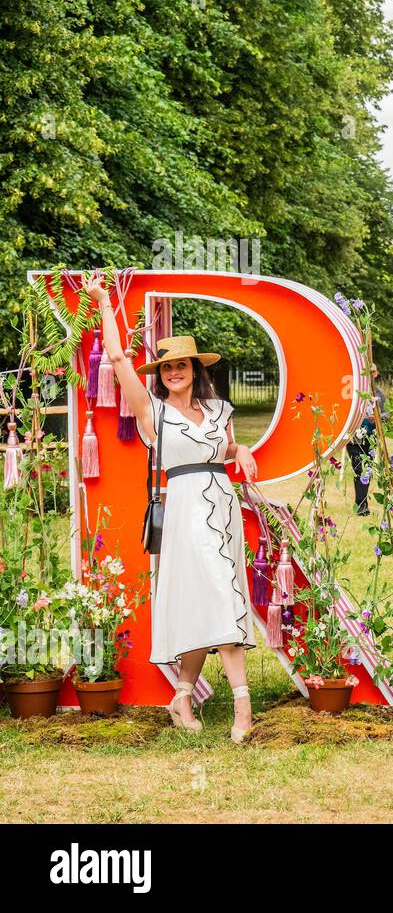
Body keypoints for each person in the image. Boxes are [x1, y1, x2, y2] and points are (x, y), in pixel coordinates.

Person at [83, 273, 259, 743]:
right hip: (183, 509)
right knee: (222, 595)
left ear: (194, 368)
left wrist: (239, 453)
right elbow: (119, 358)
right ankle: (243, 707)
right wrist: (103, 302)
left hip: (222, 505)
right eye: (166, 367)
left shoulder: (219, 409)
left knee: (212, 596)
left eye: (181, 365)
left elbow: (223, 450)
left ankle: (182, 695)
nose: (173, 372)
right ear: (159, 375)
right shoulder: (152, 412)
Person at [346, 383, 385, 516]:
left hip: (371, 439)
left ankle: (361, 504)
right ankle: (361, 506)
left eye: (373, 371)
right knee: (358, 470)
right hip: (354, 439)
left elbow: (387, 414)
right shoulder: (353, 392)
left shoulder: (378, 393)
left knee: (366, 472)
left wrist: (378, 417)